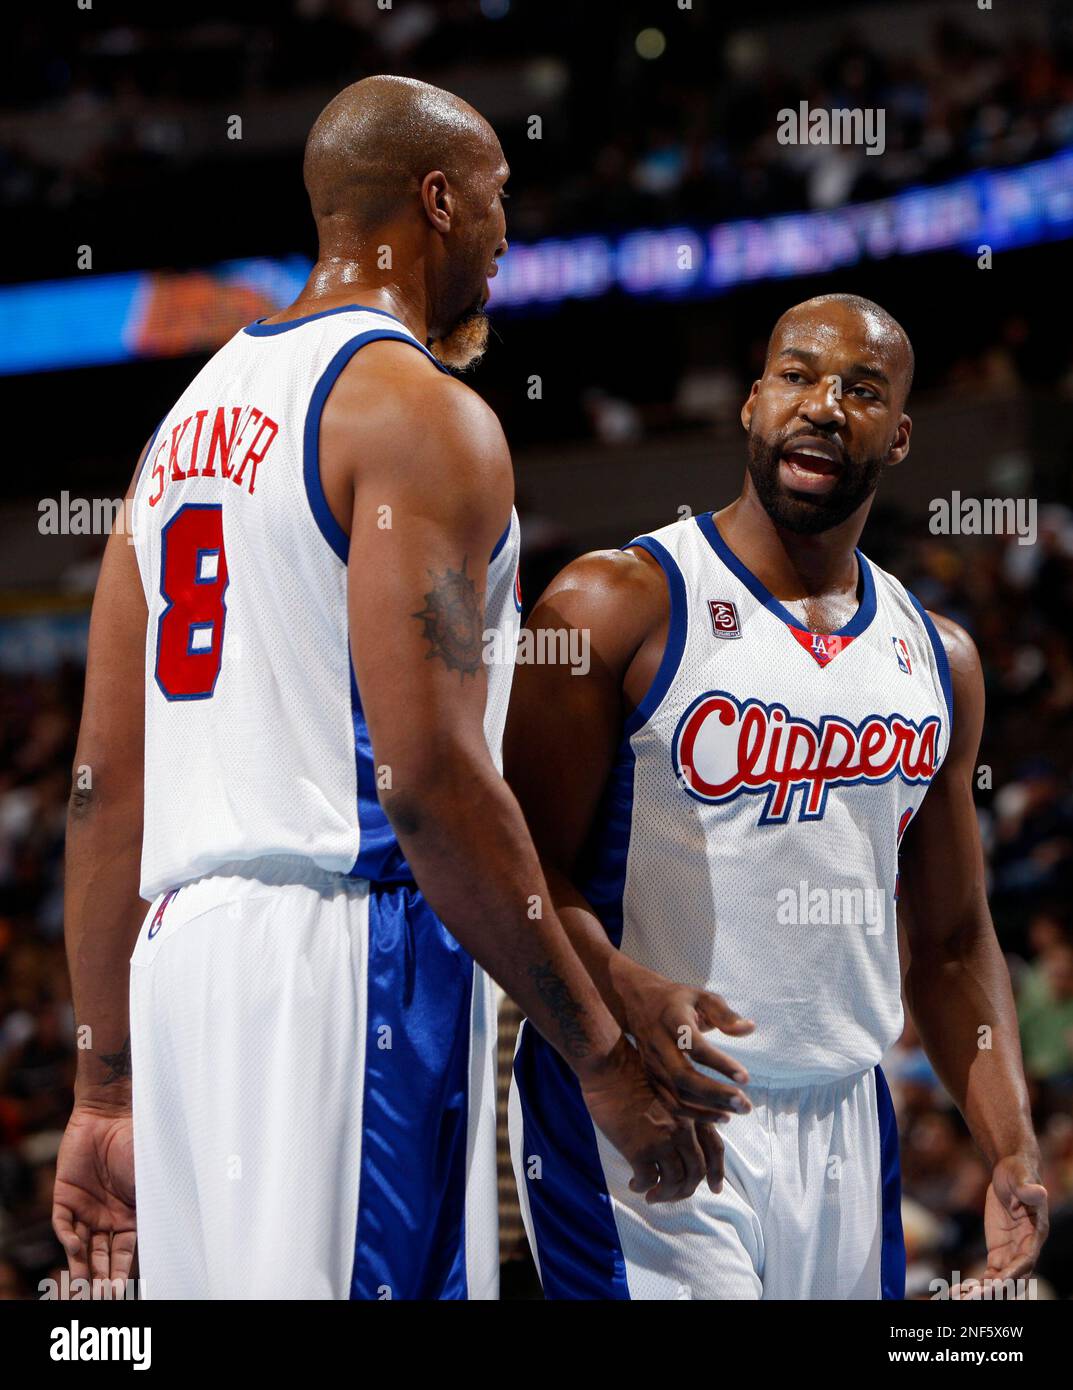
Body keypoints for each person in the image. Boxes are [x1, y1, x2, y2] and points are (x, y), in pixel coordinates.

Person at [52, 75, 735, 1302]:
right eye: (496, 200)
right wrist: (596, 1056)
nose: (505, 235)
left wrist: (103, 1089)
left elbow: (104, 797)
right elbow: (426, 782)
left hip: (180, 969)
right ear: (435, 200)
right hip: (349, 957)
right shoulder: (419, 413)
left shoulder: (173, 439)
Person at [505, 293, 1049, 1299]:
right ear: (752, 400)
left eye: (860, 389)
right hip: (648, 1099)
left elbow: (948, 937)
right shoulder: (610, 603)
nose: (823, 406)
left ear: (897, 435)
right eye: (796, 375)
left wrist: (1009, 1142)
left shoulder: (940, 658)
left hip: (847, 1115)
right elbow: (511, 870)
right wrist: (621, 991)